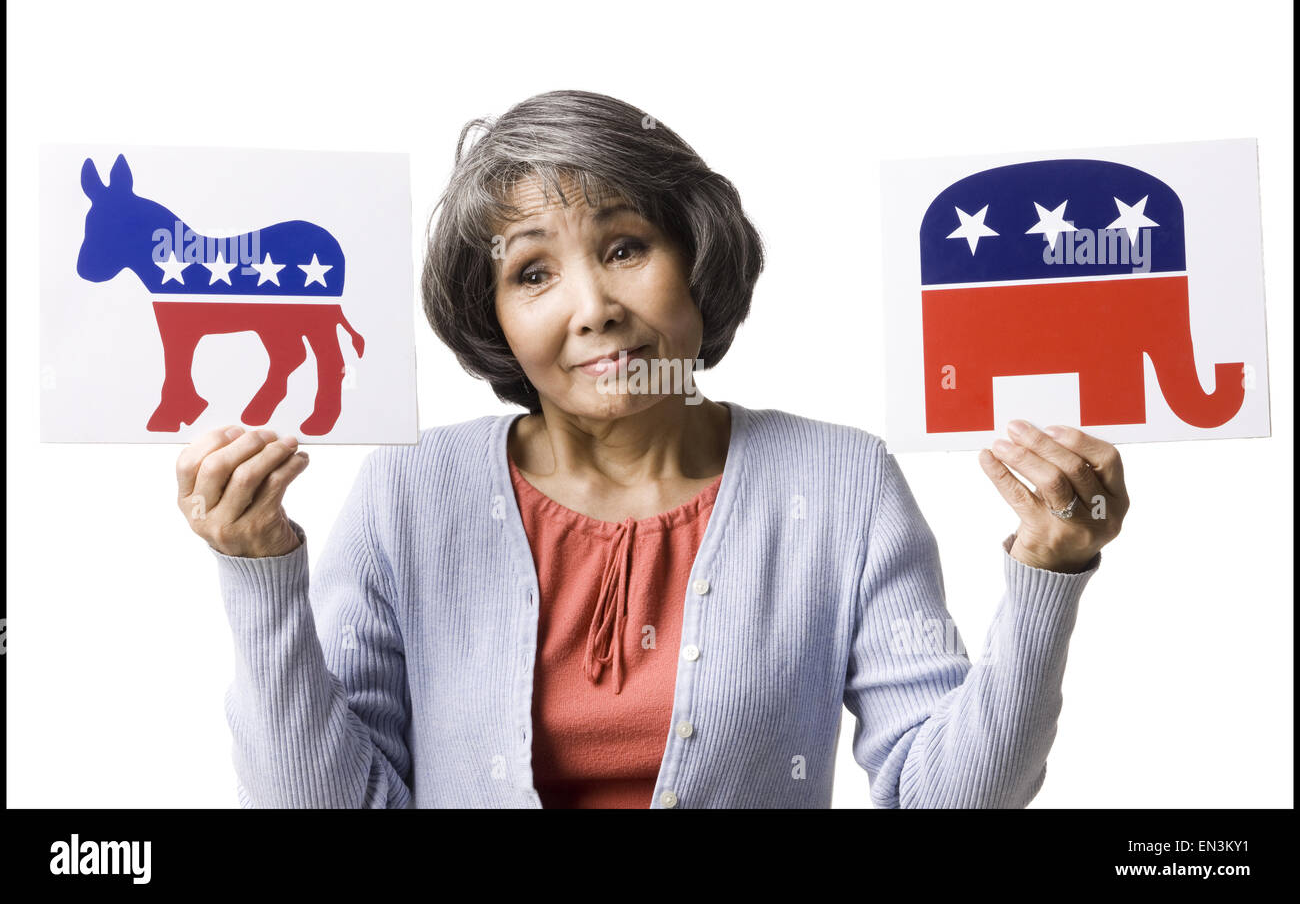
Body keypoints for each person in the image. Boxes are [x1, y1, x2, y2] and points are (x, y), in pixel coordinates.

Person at [176, 89, 1128, 808]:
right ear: (493, 318)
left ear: (695, 257)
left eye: (626, 246)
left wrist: (1053, 569)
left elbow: (942, 795)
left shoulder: (839, 482)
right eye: (533, 271)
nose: (594, 308)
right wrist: (256, 573)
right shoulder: (409, 491)